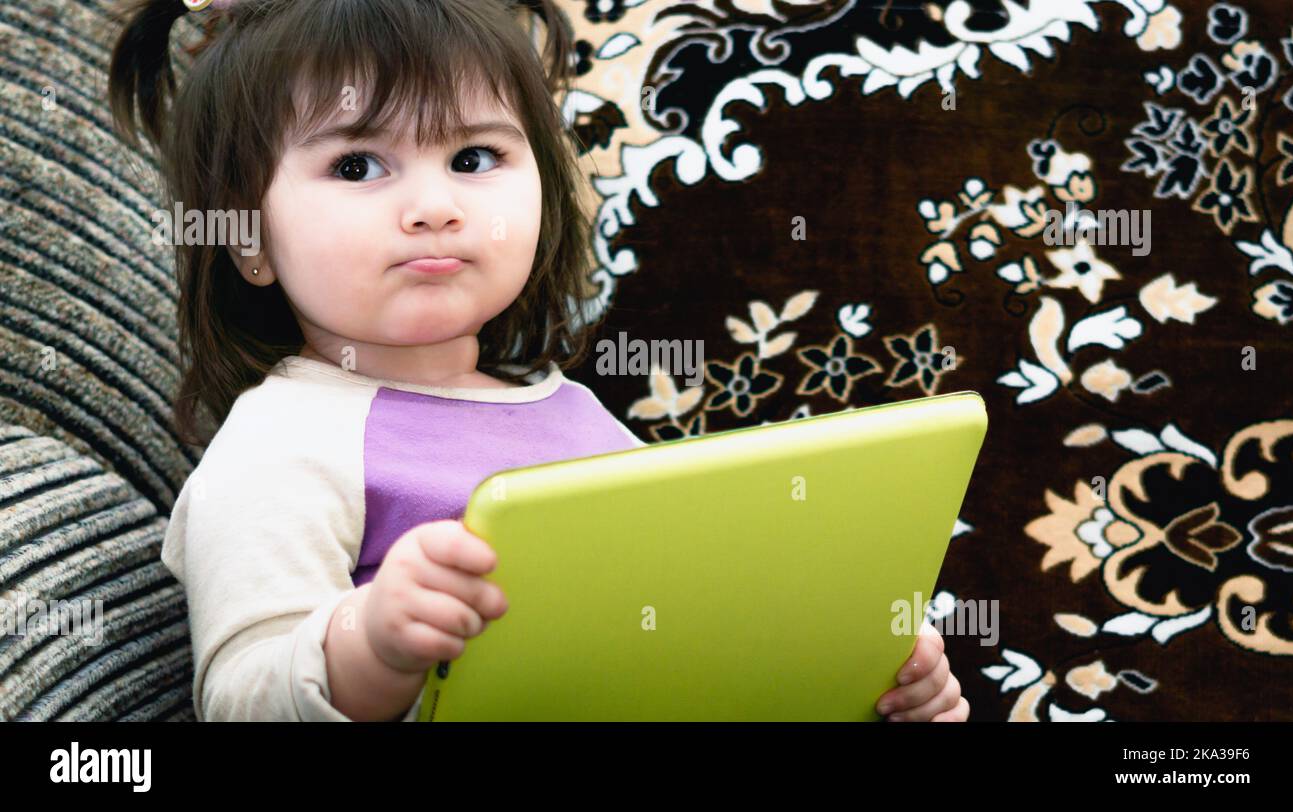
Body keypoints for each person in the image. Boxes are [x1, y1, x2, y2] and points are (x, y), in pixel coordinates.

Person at [106, 0, 968, 723]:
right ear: (247, 237)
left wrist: (864, 675)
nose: (435, 207)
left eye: (474, 158)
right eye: (359, 164)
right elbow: (239, 694)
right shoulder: (281, 439)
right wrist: (369, 643)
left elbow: (693, 626)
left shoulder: (574, 414)